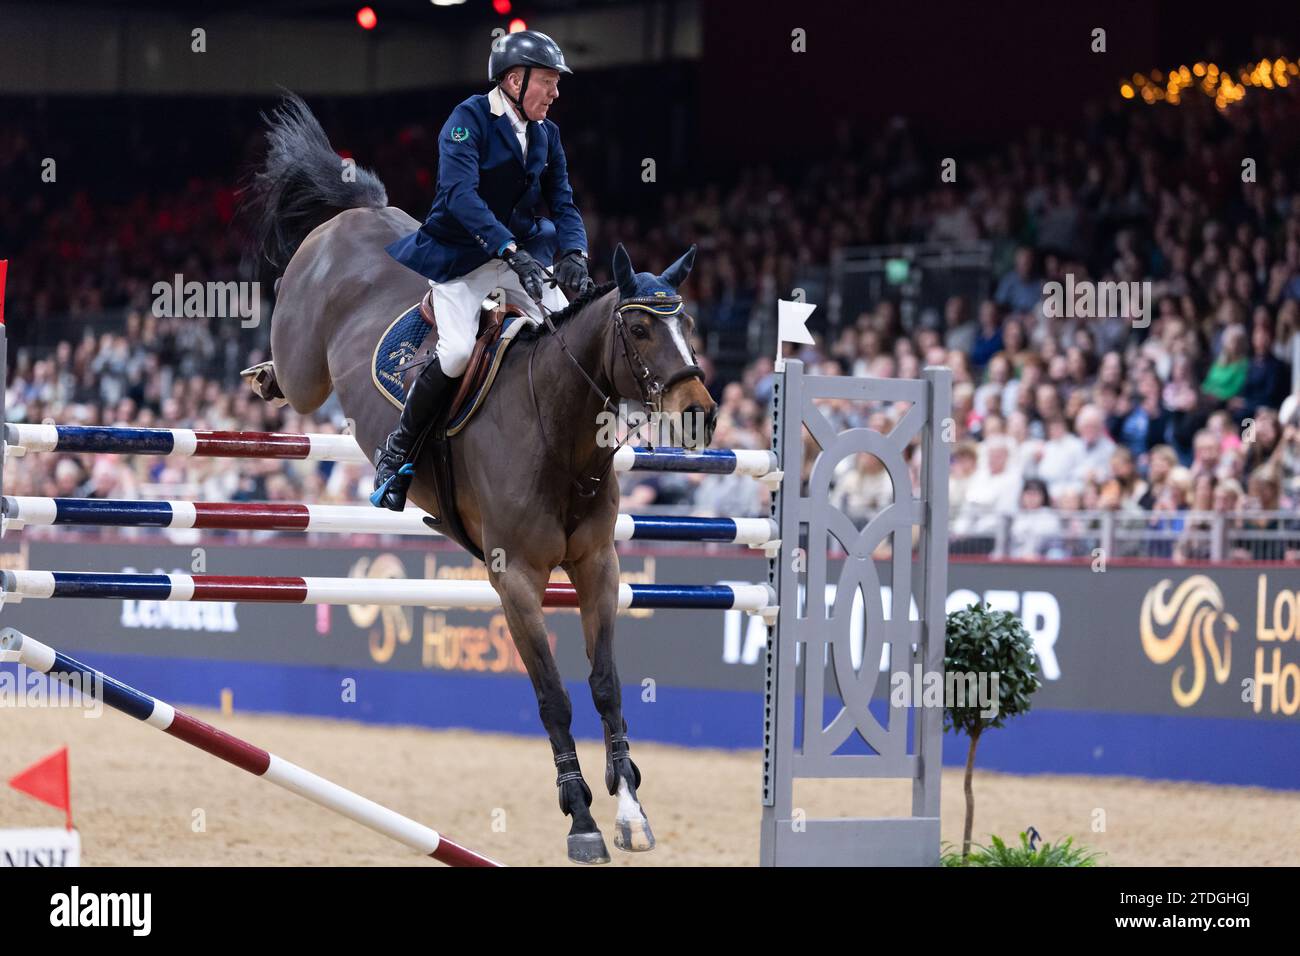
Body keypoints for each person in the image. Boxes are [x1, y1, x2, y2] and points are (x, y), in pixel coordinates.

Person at [373, 30, 593, 510]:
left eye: (557, 83)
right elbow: (461, 196)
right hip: (462, 256)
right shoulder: (466, 120)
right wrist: (510, 249)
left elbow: (563, 201)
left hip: (522, 255)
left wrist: (576, 253)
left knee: (570, 332)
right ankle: (398, 453)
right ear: (515, 80)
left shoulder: (547, 135)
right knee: (454, 354)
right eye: (549, 82)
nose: (556, 93)